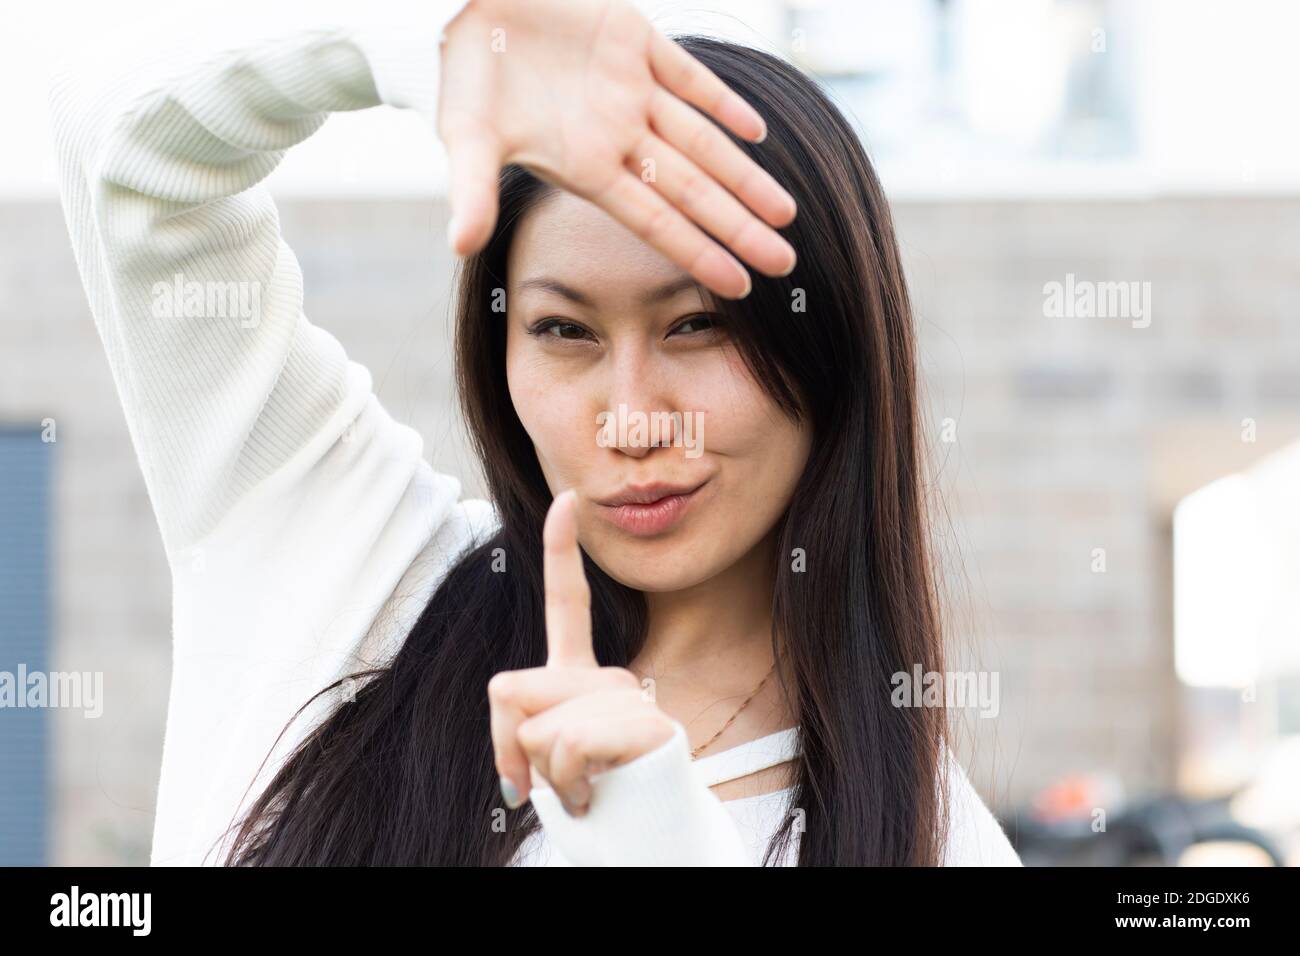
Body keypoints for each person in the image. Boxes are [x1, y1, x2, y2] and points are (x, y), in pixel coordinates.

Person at [49, 0, 1022, 866]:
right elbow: (120, 140)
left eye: (697, 324)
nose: (632, 416)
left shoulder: (929, 836)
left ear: (832, 345)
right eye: (564, 329)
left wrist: (649, 824)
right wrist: (436, 41)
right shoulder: (350, 555)